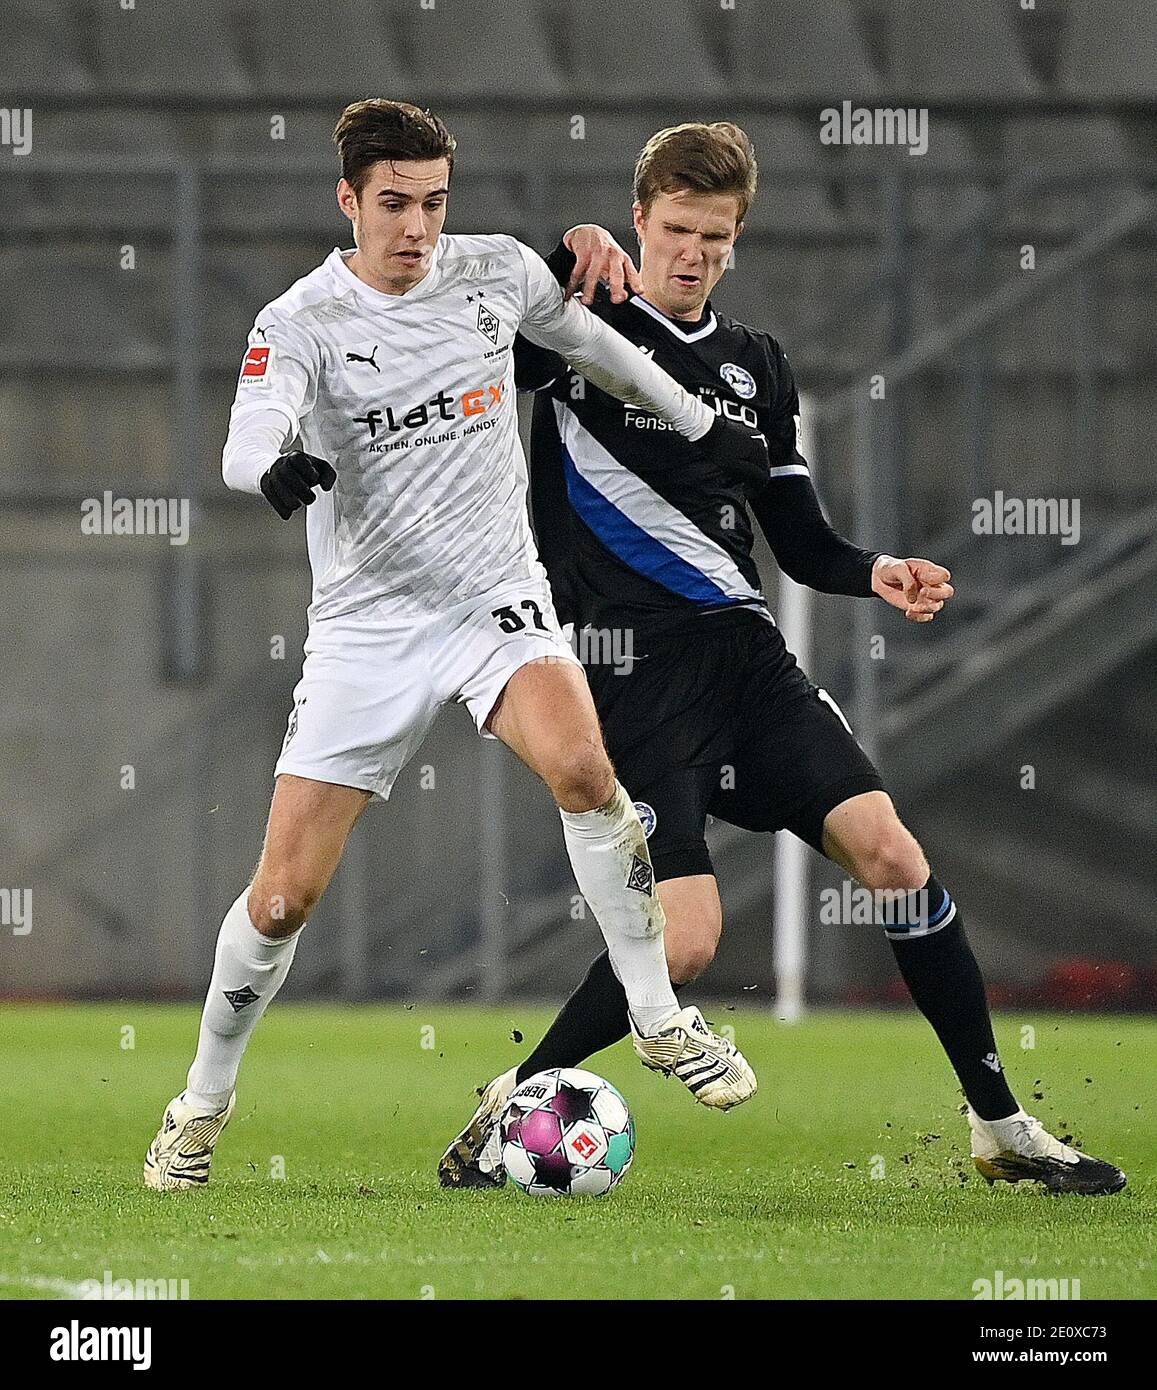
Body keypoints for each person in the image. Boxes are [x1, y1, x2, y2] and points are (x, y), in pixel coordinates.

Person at [438, 121, 1125, 1197]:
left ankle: (997, 1123)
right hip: (631, 676)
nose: (691, 253)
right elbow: (488, 312)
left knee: (892, 856)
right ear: (639, 221)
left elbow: (799, 545)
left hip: (749, 664)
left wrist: (874, 570)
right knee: (689, 943)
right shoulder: (575, 331)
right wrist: (562, 247)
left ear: (735, 238)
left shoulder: (756, 366)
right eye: (674, 229)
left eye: (713, 236)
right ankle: (516, 1098)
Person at [143, 101, 766, 1192]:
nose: (416, 226)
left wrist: (703, 423)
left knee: (585, 771)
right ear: (347, 200)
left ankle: (660, 1020)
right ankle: (198, 1106)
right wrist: (269, 470)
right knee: (284, 896)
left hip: (493, 599)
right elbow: (248, 434)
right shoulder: (299, 320)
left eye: (432, 202)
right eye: (393, 204)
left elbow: (596, 349)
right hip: (367, 629)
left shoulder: (492, 273)